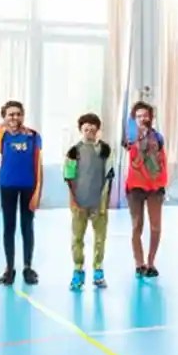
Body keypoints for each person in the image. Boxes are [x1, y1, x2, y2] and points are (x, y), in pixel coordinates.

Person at [0, 101, 42, 286]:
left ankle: (28, 267)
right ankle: (9, 268)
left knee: (27, 227)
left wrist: (37, 191)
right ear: (4, 117)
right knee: (9, 227)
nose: (14, 118)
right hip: (7, 186)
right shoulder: (1, 135)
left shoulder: (33, 136)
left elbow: (38, 165)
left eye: (18, 114)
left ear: (23, 115)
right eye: (10, 114)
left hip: (28, 185)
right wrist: (2, 128)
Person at [64, 113, 114, 291]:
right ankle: (78, 271)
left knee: (100, 238)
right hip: (79, 202)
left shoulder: (105, 150)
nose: (90, 130)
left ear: (98, 129)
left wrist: (105, 202)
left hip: (98, 203)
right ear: (81, 129)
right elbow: (68, 178)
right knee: (77, 238)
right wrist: (73, 202)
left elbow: (109, 176)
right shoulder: (74, 151)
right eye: (86, 127)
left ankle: (98, 270)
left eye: (93, 127)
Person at [124, 101, 168, 277]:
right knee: (137, 226)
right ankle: (139, 263)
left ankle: (151, 262)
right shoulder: (131, 137)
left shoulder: (158, 137)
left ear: (151, 117)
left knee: (156, 226)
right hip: (135, 186)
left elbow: (161, 161)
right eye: (138, 116)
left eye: (145, 115)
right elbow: (133, 155)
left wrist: (161, 180)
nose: (142, 118)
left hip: (155, 187)